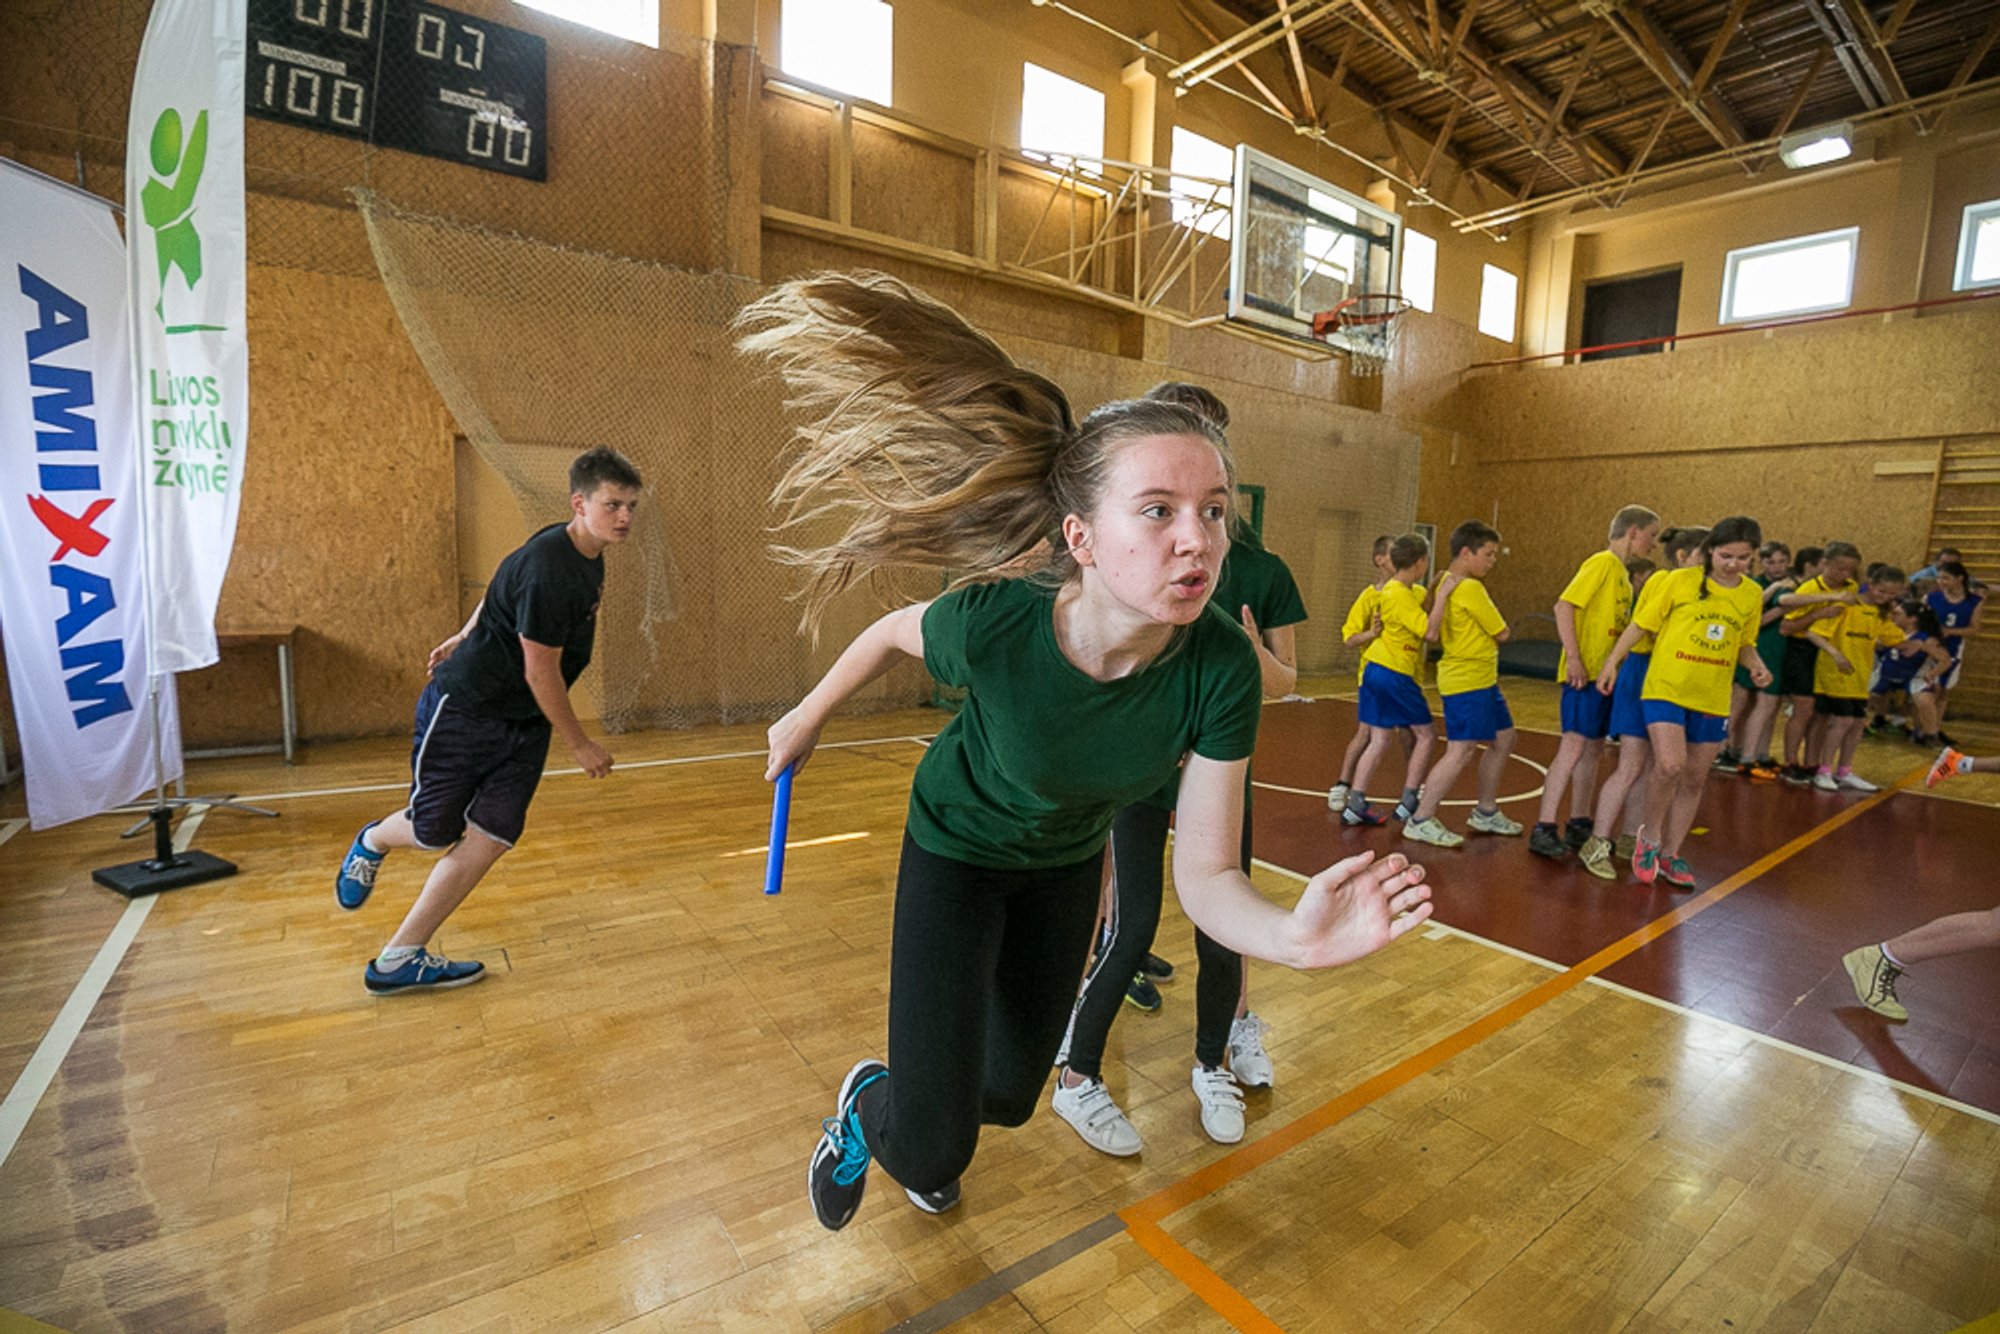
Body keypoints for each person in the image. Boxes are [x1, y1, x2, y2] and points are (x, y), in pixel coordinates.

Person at [738, 272, 1434, 1231]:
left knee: (1009, 1095)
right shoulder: (997, 623)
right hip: (957, 850)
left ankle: (916, 1104)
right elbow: (893, 631)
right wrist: (807, 716)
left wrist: (1292, 937)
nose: (1198, 540)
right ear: (1083, 537)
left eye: (1214, 511)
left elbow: (1206, 873)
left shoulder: (1221, 668)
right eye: (1158, 511)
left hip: (1063, 864)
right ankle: (867, 1108)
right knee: (936, 1148)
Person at [333, 447, 641, 993]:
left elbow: (502, 580)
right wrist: (580, 744)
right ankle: (374, 841)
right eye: (612, 505)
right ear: (579, 504)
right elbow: (539, 671)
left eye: (631, 507)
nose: (624, 517)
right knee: (432, 833)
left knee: (493, 835)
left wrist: (465, 631)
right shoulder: (550, 568)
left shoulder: (583, 551)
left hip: (523, 724)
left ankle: (399, 957)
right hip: (466, 711)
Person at [1529, 504, 1660, 860]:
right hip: (1584, 673)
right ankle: (1543, 826)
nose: (1653, 545)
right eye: (1651, 536)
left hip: (1603, 676)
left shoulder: (1622, 574)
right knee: (1573, 747)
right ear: (1633, 531)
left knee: (1592, 750)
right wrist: (1574, 657)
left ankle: (1579, 820)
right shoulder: (1601, 563)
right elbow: (1564, 606)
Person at [1574, 530, 1703, 880]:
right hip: (1643, 671)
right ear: (1683, 556)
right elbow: (1646, 627)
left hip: (1668, 674)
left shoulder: (1700, 589)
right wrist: (1613, 662)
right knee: (1631, 764)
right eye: (1703, 556)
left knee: (1651, 767)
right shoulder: (1665, 580)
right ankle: (1597, 841)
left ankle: (1631, 835)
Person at [1402, 521, 1521, 848]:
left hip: (1482, 679)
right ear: (1466, 552)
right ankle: (1421, 818)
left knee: (1504, 738)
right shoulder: (1469, 588)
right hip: (1467, 680)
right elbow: (1502, 632)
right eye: (1488, 554)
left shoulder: (1446, 582)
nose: (1492, 561)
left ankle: (1485, 811)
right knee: (1461, 749)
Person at [1341, 534, 1436, 827]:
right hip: (1394, 671)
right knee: (1426, 735)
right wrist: (1444, 596)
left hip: (1376, 670)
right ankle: (1410, 799)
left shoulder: (1403, 591)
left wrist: (1435, 589)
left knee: (1380, 738)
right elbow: (1429, 631)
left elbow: (1422, 601)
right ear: (1420, 562)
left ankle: (1355, 802)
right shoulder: (1397, 594)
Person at [1328, 537, 1418, 812]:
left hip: (1404, 673)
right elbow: (1349, 638)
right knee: (1367, 734)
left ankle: (1414, 787)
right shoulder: (1370, 596)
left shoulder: (1414, 592)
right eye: (1393, 553)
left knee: (1410, 734)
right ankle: (1343, 785)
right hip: (1376, 674)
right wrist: (1372, 633)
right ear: (1379, 560)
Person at [1776, 541, 1861, 785]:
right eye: (1840, 568)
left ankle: (1812, 762)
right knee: (1804, 708)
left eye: (1850, 569)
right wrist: (1818, 614)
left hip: (1827, 650)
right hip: (1801, 649)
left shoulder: (1850, 587)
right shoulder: (1811, 588)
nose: (1845, 574)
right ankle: (1789, 762)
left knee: (1822, 712)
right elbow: (1786, 627)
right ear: (1825, 563)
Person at [1718, 540, 1793, 780]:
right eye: (1771, 562)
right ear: (1762, 563)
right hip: (1753, 647)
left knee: (1768, 706)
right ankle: (1724, 749)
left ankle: (1756, 752)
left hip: (1777, 650)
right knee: (1739, 703)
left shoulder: (1792, 585)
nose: (1777, 566)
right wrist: (1777, 606)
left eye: (1782, 561)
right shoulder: (1755, 585)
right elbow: (1752, 617)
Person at [1924, 561, 1984, 745]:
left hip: (1953, 649)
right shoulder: (1931, 597)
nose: (1941, 582)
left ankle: (1935, 729)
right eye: (1939, 578)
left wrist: (1951, 631)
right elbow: (1918, 620)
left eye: (1946, 578)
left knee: (1943, 691)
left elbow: (1974, 628)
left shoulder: (1974, 601)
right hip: (1930, 649)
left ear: (1959, 578)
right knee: (1930, 690)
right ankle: (1925, 731)